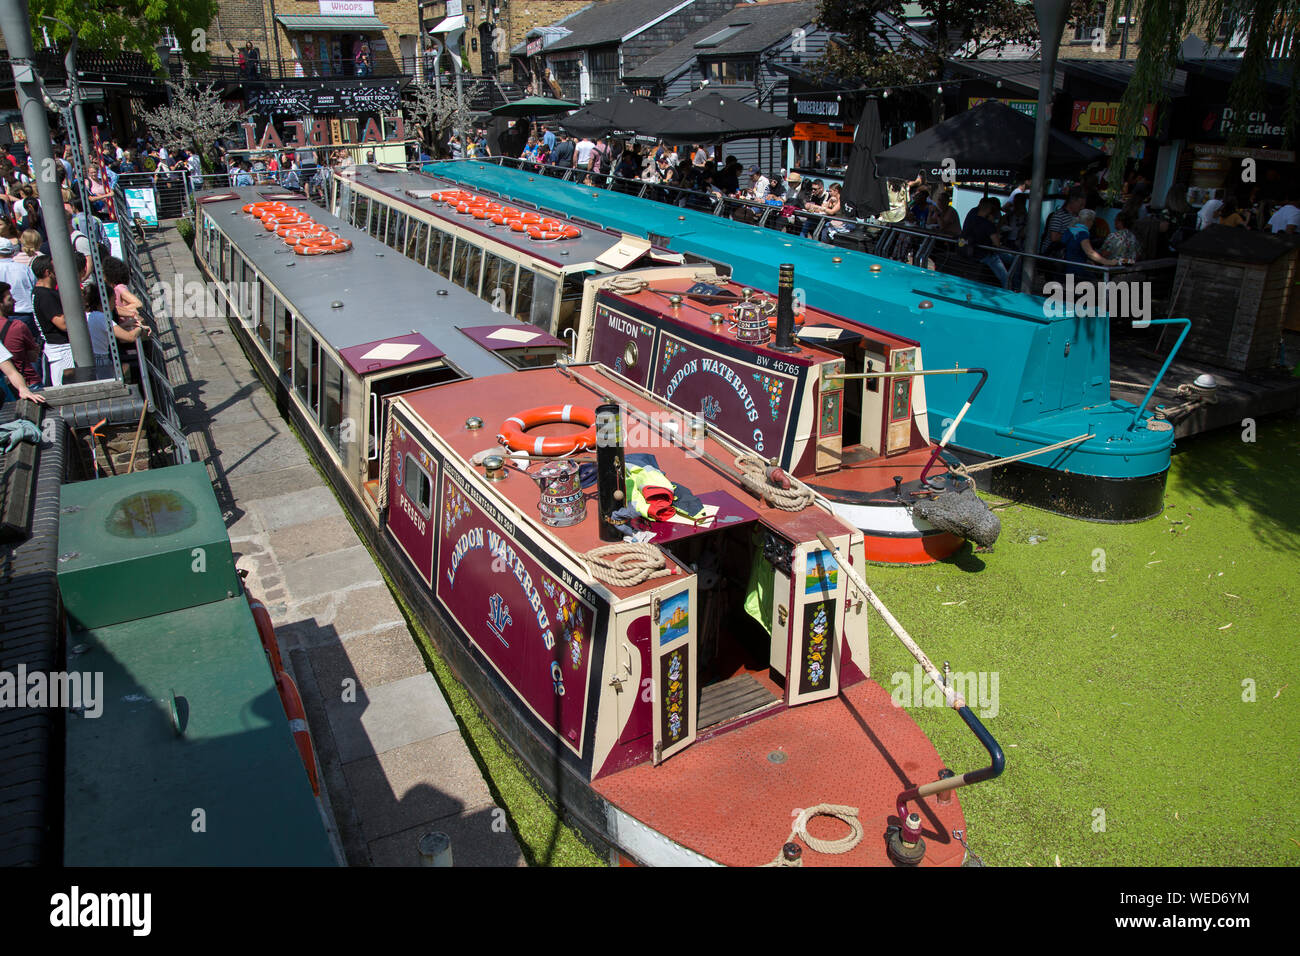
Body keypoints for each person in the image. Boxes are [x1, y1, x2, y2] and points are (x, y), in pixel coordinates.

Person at [84, 283, 147, 379]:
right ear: (104, 302)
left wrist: (127, 324)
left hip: (94, 358)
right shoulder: (101, 317)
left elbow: (105, 331)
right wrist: (141, 327)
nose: (115, 302)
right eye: (113, 300)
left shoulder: (89, 315)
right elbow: (130, 337)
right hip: (101, 361)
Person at [31, 255, 73, 386]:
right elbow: (63, 324)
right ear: (48, 273)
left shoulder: (41, 293)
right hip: (61, 349)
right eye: (57, 269)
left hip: (59, 349)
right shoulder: (45, 295)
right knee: (67, 387)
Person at [0, 281, 42, 389]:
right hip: (28, 382)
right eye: (9, 299)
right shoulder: (17, 326)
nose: (14, 301)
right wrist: (36, 348)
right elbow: (33, 357)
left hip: (5, 387)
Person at [1063, 209, 1121, 277]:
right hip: (1076, 270)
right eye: (1092, 221)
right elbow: (1090, 253)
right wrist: (1108, 262)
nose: (1092, 224)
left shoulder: (1070, 230)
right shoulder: (1082, 233)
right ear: (1088, 221)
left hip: (1065, 266)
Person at [1043, 187, 1085, 255]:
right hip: (1053, 254)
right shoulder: (1059, 215)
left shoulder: (1076, 217)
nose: (1082, 208)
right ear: (1072, 201)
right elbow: (1054, 237)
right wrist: (1071, 234)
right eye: (1080, 205)